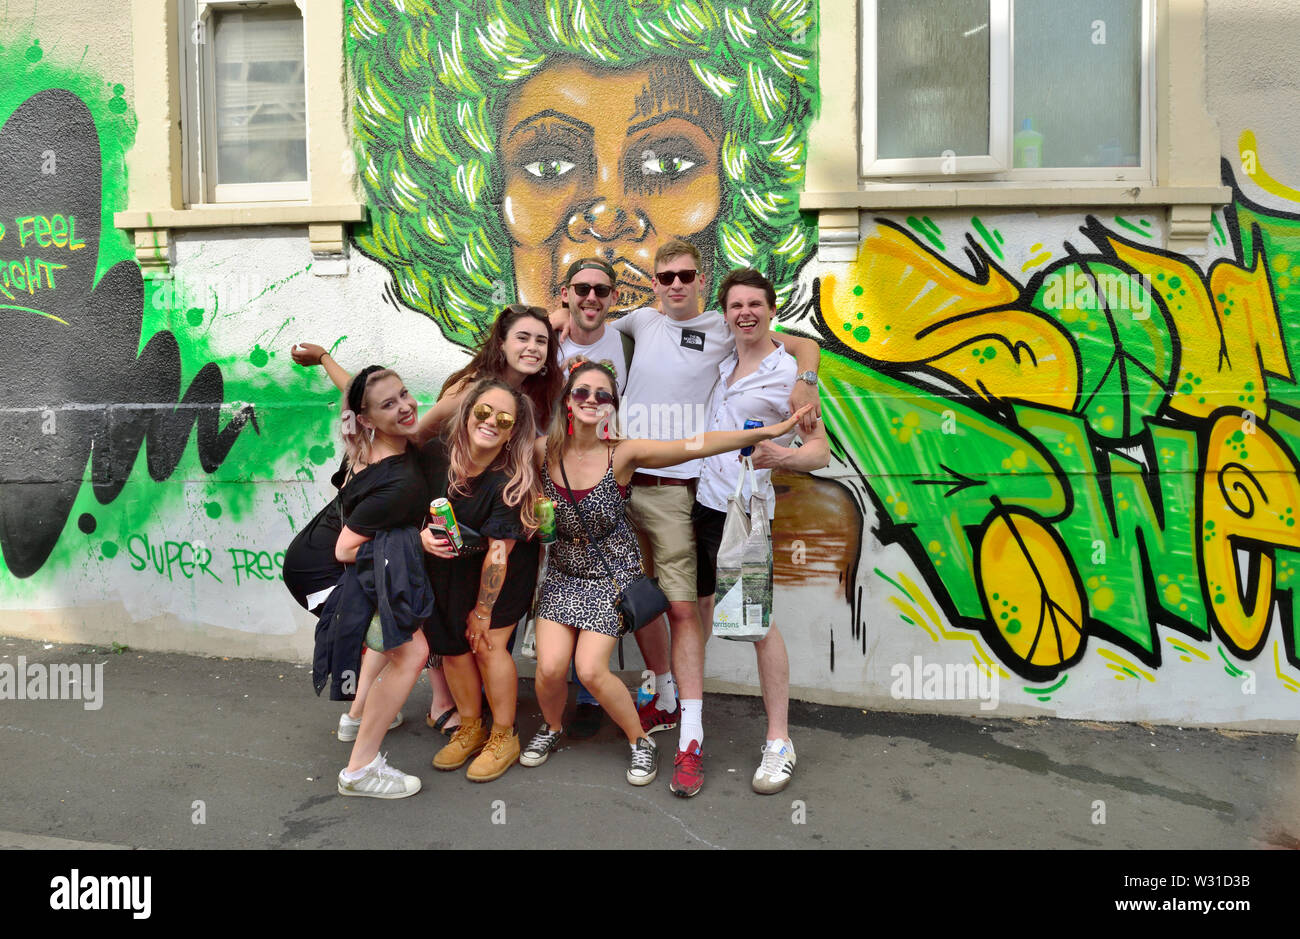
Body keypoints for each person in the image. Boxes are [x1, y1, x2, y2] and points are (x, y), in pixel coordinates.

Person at [349, 0, 818, 342]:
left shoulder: (730, 361)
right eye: (549, 165)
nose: (610, 215)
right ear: (474, 199)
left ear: (740, 190)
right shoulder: (493, 401)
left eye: (668, 163)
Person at [552, 237, 821, 798]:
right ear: (655, 283)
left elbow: (805, 354)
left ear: (703, 282)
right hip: (676, 497)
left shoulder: (762, 356)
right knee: (666, 602)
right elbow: (590, 314)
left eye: (686, 276)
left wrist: (803, 390)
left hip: (733, 509)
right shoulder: (653, 327)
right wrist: (557, 315)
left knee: (746, 621)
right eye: (666, 276)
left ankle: (777, 740)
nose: (676, 284)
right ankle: (670, 700)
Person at [521, 361, 811, 784]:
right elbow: (491, 442)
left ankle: (641, 741)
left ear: (611, 408)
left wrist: (763, 433)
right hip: (563, 574)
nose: (591, 400)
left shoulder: (624, 452)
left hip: (609, 579)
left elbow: (695, 445)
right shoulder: (541, 450)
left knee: (589, 670)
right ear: (567, 401)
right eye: (582, 392)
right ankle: (551, 728)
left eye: (602, 395)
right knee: (548, 670)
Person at [291, 303, 560, 733]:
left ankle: (382, 710)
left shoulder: (538, 392)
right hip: (430, 497)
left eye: (541, 340)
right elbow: (403, 424)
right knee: (430, 618)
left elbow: (380, 403)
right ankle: (416, 706)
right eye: (522, 338)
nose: (531, 347)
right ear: (501, 342)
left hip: (489, 518)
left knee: (454, 623)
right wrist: (330, 366)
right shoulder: (469, 392)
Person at [694, 268, 830, 794]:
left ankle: (779, 742)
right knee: (694, 609)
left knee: (755, 624)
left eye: (755, 304)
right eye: (736, 306)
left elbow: (820, 452)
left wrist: (784, 457)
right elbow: (806, 342)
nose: (745, 313)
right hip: (699, 503)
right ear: (725, 314)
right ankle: (681, 709)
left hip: (743, 516)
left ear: (772, 309)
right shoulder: (721, 359)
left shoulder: (785, 375)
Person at [554, 257, 676, 739]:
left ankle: (656, 689)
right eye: (581, 288)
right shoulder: (547, 340)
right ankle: (581, 689)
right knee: (561, 576)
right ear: (565, 293)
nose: (591, 298)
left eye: (601, 290)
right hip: (556, 479)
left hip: (619, 477)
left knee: (632, 585)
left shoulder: (631, 337)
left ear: (615, 298)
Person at [328, 366, 445, 799]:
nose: (406, 406)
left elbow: (355, 393)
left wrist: (325, 359)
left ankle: (357, 716)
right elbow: (343, 549)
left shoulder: (372, 446)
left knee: (389, 644)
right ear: (367, 419)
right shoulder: (395, 480)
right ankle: (360, 769)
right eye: (389, 405)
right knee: (413, 653)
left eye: (405, 394)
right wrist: (415, 542)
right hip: (375, 578)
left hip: (378, 577)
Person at [421, 380, 543, 783]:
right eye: (484, 412)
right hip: (450, 566)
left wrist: (483, 611)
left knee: (486, 645)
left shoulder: (508, 478)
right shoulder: (438, 455)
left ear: (512, 432)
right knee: (454, 648)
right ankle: (471, 726)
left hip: (501, 572)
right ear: (468, 410)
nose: (491, 422)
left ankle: (504, 735)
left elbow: (498, 553)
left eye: (504, 419)